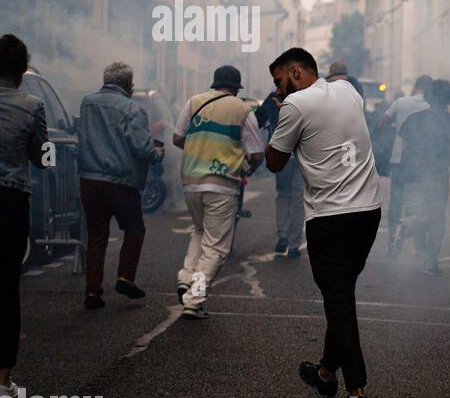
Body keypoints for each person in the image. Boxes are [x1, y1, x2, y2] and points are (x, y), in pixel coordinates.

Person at [265, 48, 382, 398]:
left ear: (295, 72)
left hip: (330, 218)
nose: (278, 90)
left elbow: (274, 161)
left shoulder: (295, 106)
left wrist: (278, 112)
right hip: (368, 212)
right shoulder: (347, 91)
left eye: (280, 81)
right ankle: (326, 372)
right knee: (342, 295)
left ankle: (357, 392)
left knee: (338, 299)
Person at [173, 66, 264, 319]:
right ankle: (194, 298)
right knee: (216, 248)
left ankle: (186, 277)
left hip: (191, 181)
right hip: (222, 184)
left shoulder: (194, 102)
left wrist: (199, 148)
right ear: (236, 88)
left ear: (214, 84)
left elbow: (177, 138)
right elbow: (257, 154)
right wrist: (247, 166)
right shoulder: (242, 110)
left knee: (200, 230)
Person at [77, 62, 165, 309]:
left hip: (89, 180)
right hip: (121, 182)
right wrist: (158, 152)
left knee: (97, 236)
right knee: (134, 229)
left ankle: (93, 292)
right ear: (127, 84)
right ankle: (125, 276)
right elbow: (141, 147)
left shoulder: (87, 103)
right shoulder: (132, 109)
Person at [0, 35, 48, 398]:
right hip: (10, 200)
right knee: (7, 291)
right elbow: (42, 159)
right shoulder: (33, 105)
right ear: (22, 70)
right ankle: (3, 384)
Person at [396, 79, 450, 275]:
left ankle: (413, 236)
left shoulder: (414, 119)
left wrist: (404, 172)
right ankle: (431, 260)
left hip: (413, 173)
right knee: (436, 217)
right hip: (438, 175)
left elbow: (406, 149)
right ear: (449, 98)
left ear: (428, 97)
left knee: (419, 211)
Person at [375, 75, 432, 256]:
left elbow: (382, 123)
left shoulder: (401, 102)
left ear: (415, 86)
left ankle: (393, 240)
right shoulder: (433, 106)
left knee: (396, 201)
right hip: (424, 162)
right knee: (420, 202)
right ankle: (419, 245)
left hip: (399, 160)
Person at [256, 92, 304, 258]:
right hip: (302, 155)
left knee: (283, 194)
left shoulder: (275, 95)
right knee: (298, 197)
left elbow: (258, 120)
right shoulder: (309, 95)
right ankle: (294, 244)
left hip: (280, 152)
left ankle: (282, 235)